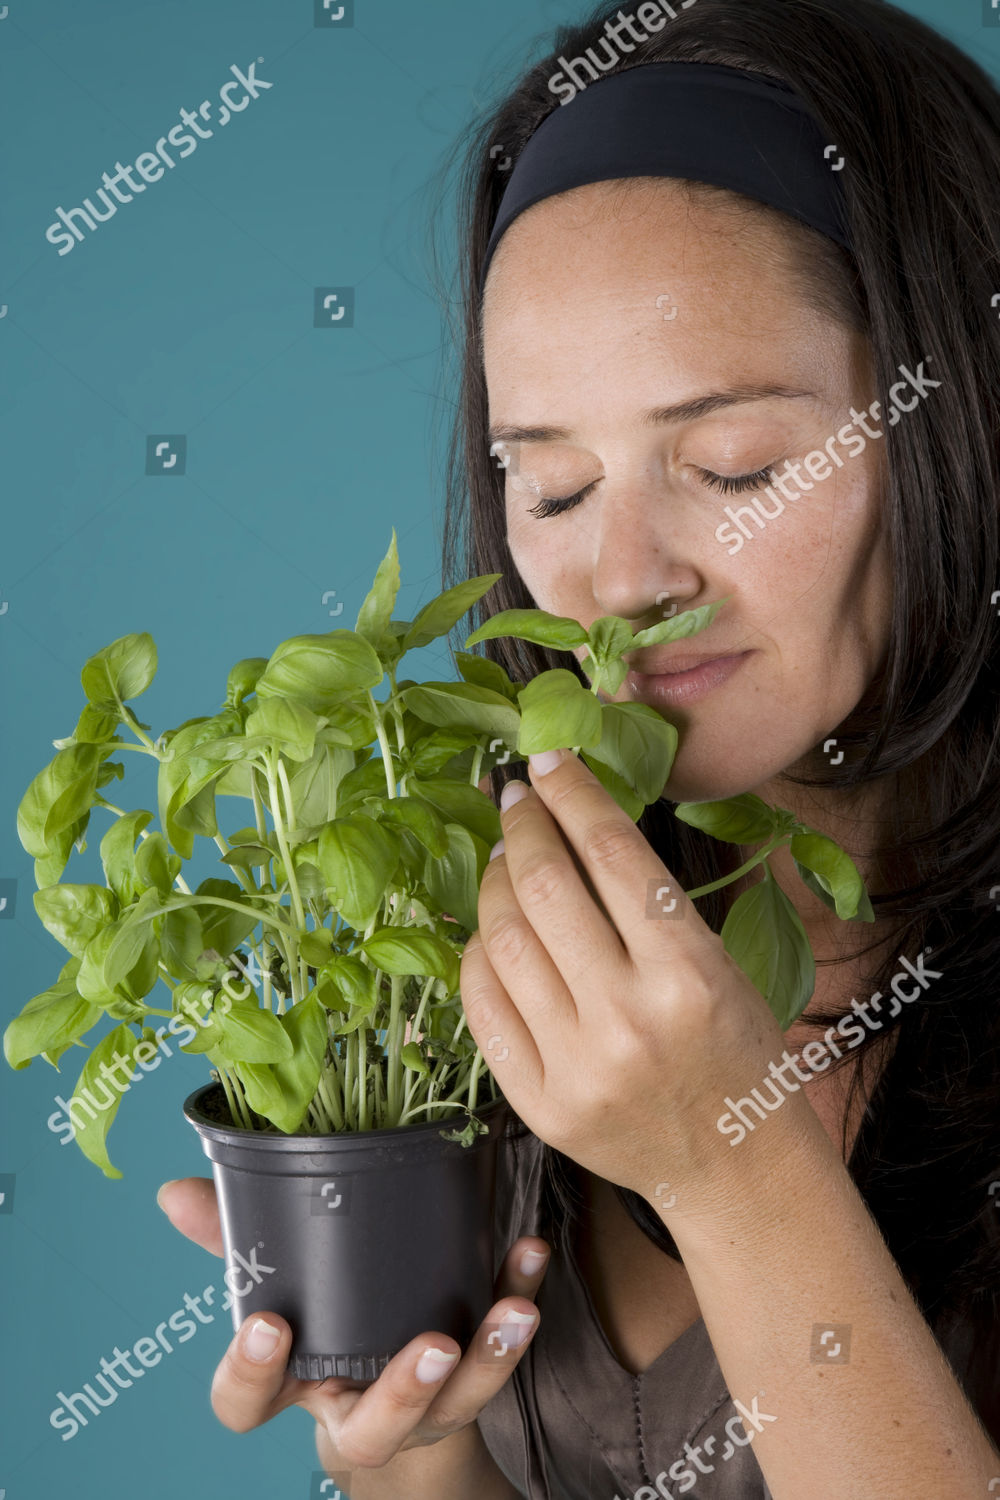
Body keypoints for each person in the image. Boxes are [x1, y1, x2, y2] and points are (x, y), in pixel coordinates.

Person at [157, 0, 1000, 1494]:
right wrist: (414, 1450)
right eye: (547, 488)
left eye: (733, 463)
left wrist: (728, 1161)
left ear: (954, 422)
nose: (620, 583)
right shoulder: (477, 944)